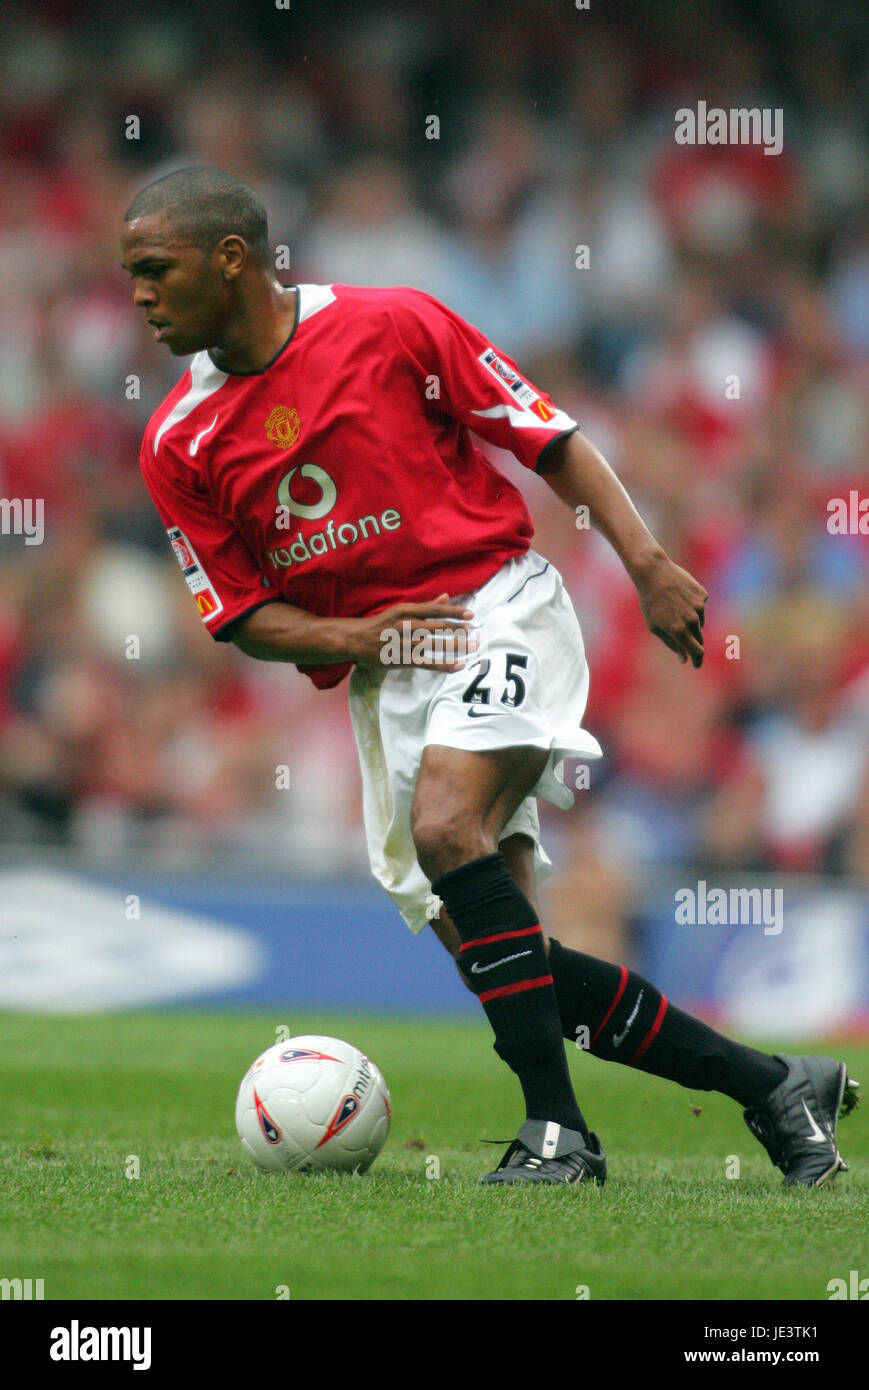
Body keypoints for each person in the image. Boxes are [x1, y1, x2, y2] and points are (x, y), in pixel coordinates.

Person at [121, 166, 857, 1186]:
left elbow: (544, 434)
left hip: (494, 608)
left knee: (445, 828)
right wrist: (364, 638)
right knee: (504, 964)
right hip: (388, 671)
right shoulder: (175, 440)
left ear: (230, 259)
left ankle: (556, 1134)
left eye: (156, 270)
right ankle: (774, 1085)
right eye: (130, 278)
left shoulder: (392, 326)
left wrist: (642, 562)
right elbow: (243, 617)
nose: (141, 296)